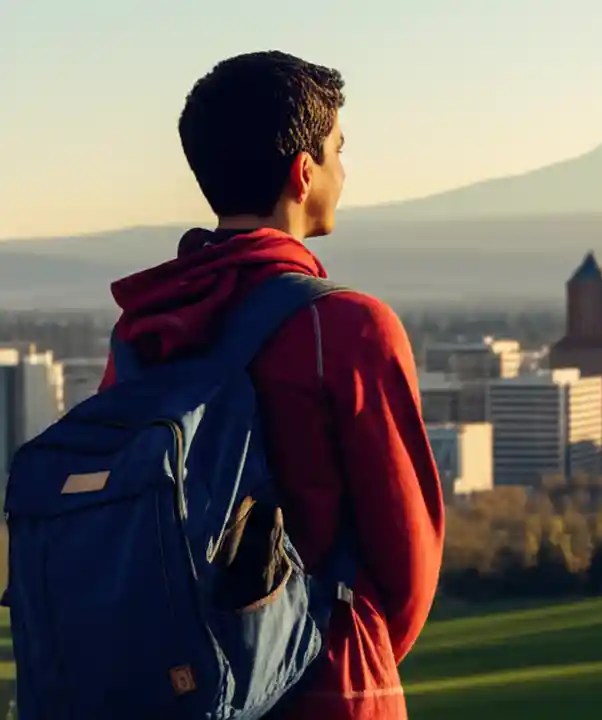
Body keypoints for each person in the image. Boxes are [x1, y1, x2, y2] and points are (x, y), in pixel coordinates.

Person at [100, 51, 444, 720]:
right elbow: (409, 557)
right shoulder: (344, 325)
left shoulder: (143, 326)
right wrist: (348, 655)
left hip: (171, 689)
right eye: (339, 151)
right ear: (304, 170)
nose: (345, 172)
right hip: (324, 686)